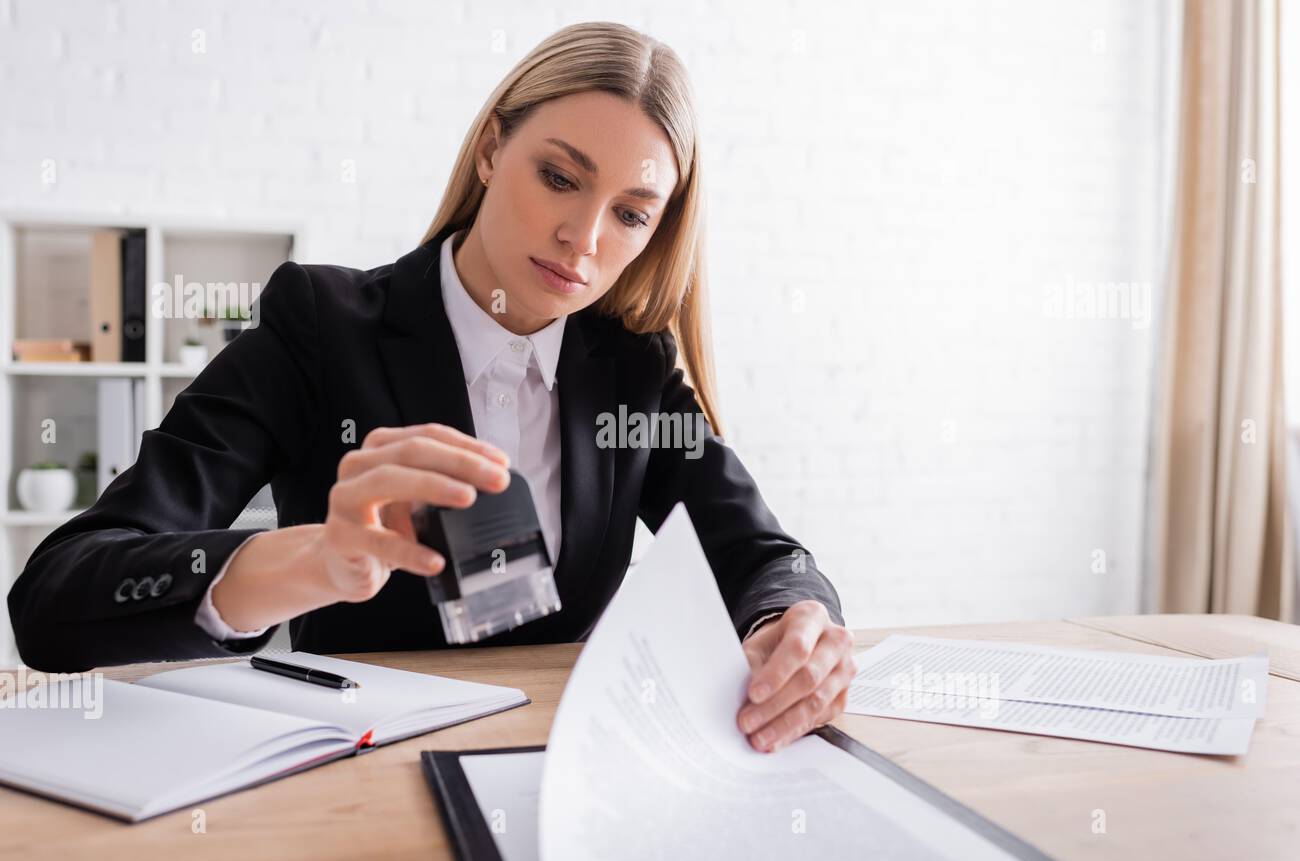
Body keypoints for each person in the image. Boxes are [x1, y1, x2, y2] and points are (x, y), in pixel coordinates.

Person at [8, 21, 854, 753]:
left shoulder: (633, 368)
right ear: (492, 148)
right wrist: (307, 559)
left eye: (631, 212)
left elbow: (763, 556)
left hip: (560, 768)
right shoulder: (320, 324)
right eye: (559, 176)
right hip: (355, 774)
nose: (581, 236)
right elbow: (53, 596)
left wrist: (791, 623)